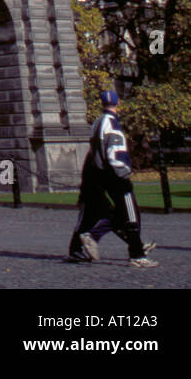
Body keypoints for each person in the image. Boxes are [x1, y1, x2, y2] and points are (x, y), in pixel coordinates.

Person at [68, 90, 157, 268]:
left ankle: (134, 246)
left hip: (102, 175)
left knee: (121, 214)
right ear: (118, 103)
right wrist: (123, 172)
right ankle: (136, 254)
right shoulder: (111, 123)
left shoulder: (97, 122)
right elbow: (114, 154)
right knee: (130, 214)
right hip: (115, 176)